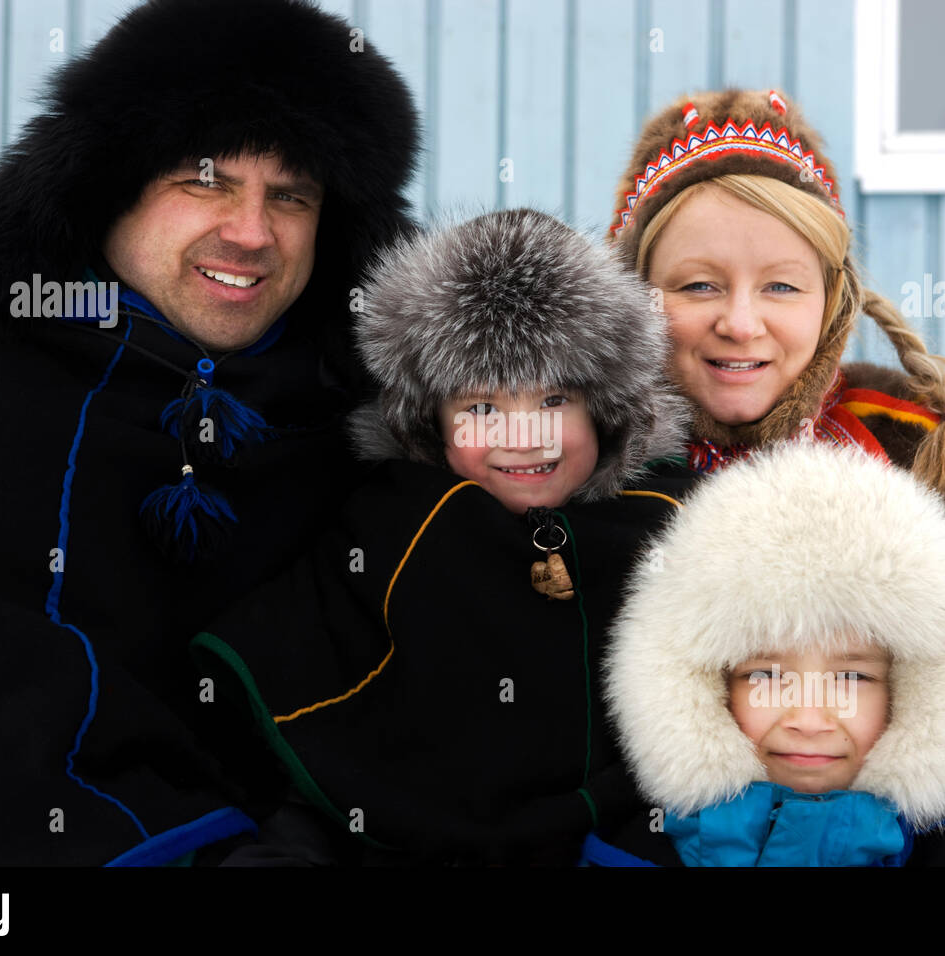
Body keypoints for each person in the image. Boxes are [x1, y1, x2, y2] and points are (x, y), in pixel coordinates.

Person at [0, 0, 418, 865]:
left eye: (291, 195)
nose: (251, 231)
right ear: (109, 188)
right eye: (205, 180)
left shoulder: (365, 421)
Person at [606, 87, 945, 866]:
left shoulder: (926, 453)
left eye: (781, 286)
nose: (740, 320)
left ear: (833, 301)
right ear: (632, 296)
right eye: (698, 285)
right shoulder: (576, 462)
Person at [191, 208, 696, 864]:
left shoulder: (657, 524)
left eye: (554, 401)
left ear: (605, 409)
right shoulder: (395, 526)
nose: (524, 436)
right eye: (483, 407)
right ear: (430, 422)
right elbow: (318, 676)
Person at [592, 440, 945, 867]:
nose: (808, 720)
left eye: (852, 678)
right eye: (766, 676)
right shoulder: (627, 854)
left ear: (912, 691)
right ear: (704, 686)